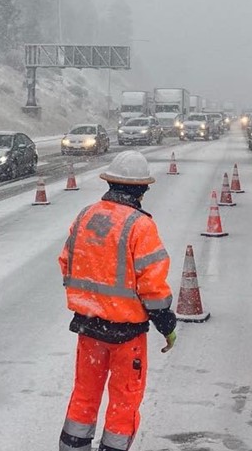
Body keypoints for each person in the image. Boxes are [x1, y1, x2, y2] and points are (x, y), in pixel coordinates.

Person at [58, 151, 178, 451]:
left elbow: (66, 262)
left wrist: (93, 299)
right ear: (142, 189)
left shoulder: (85, 215)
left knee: (84, 394)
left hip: (88, 328)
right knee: (124, 401)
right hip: (126, 335)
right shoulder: (141, 226)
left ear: (109, 183)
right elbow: (151, 285)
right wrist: (167, 324)